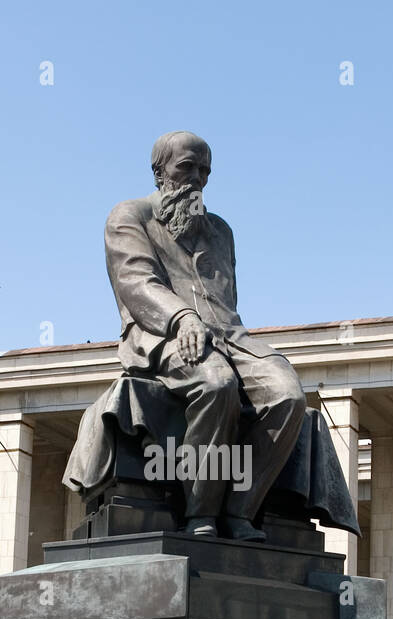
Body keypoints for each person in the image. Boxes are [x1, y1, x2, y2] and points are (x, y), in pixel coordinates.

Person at [103, 131, 308, 540]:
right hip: (163, 332)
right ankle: (201, 513)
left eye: (205, 170)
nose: (197, 178)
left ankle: (239, 511)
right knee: (216, 383)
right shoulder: (129, 216)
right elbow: (136, 282)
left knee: (289, 394)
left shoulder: (220, 231)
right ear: (159, 171)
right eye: (186, 167)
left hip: (231, 336)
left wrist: (232, 339)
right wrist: (182, 319)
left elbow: (227, 300)